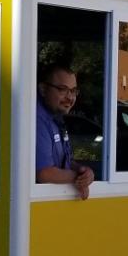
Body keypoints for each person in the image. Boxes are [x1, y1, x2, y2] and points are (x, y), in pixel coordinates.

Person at [36, 65, 94, 198]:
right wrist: (78, 177)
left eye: (73, 91)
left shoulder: (56, 117)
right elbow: (44, 173)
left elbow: (65, 162)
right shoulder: (37, 120)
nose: (70, 97)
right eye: (63, 89)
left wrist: (83, 171)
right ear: (43, 89)